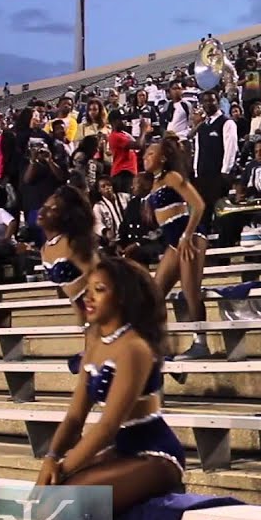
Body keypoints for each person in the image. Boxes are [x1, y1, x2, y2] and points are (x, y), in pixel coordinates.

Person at [34, 257, 185, 515]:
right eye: (88, 289)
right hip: (121, 451)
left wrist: (62, 468)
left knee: (63, 498)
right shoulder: (95, 346)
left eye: (100, 290)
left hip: (156, 454)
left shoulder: (134, 348)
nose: (88, 297)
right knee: (51, 495)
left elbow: (107, 426)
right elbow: (74, 418)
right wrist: (51, 458)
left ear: (122, 297)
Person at [145, 137, 210, 360]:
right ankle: (161, 346)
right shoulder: (153, 183)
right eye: (145, 154)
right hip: (173, 240)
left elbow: (198, 205)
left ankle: (201, 344)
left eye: (151, 154)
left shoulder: (172, 176)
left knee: (190, 290)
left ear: (163, 158)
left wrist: (187, 235)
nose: (145, 157)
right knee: (155, 294)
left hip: (189, 236)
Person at [39, 185, 98, 320]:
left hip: (102, 310)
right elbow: (71, 293)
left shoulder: (74, 244)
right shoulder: (44, 249)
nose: (43, 211)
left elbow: (99, 277)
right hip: (83, 313)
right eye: (44, 206)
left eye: (53, 209)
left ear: (64, 217)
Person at [192, 91, 238, 246]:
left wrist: (225, 171)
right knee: (203, 213)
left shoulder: (227, 123)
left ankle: (224, 247)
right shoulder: (202, 126)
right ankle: (204, 247)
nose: (208, 104)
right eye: (205, 101)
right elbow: (198, 150)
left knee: (221, 213)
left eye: (211, 100)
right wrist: (196, 171)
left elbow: (231, 148)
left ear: (218, 102)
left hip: (219, 175)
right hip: (203, 176)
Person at [92, 175, 132, 248]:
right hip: (113, 239)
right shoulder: (98, 206)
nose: (107, 188)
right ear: (99, 190)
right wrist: (105, 231)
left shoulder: (125, 197)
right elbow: (97, 223)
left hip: (130, 234)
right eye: (103, 186)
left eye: (109, 185)